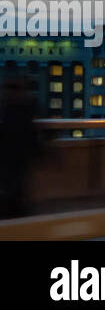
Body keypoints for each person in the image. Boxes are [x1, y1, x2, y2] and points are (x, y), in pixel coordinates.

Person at [0, 73, 41, 219]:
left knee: (13, 188)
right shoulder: (25, 107)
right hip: (18, 157)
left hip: (13, 156)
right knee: (17, 188)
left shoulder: (13, 108)